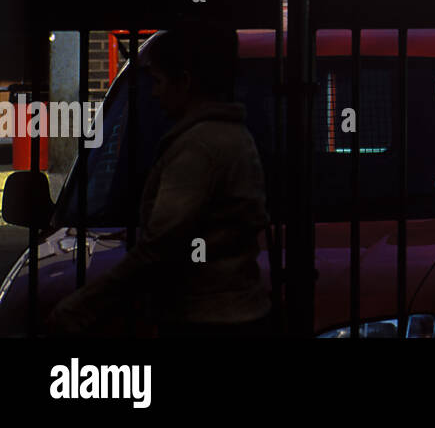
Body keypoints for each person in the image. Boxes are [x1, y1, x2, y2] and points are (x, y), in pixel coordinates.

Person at [48, 21, 273, 337]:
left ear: (184, 82)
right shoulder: (232, 136)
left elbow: (160, 248)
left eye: (158, 81)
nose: (154, 93)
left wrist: (83, 303)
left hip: (204, 320)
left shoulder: (198, 147)